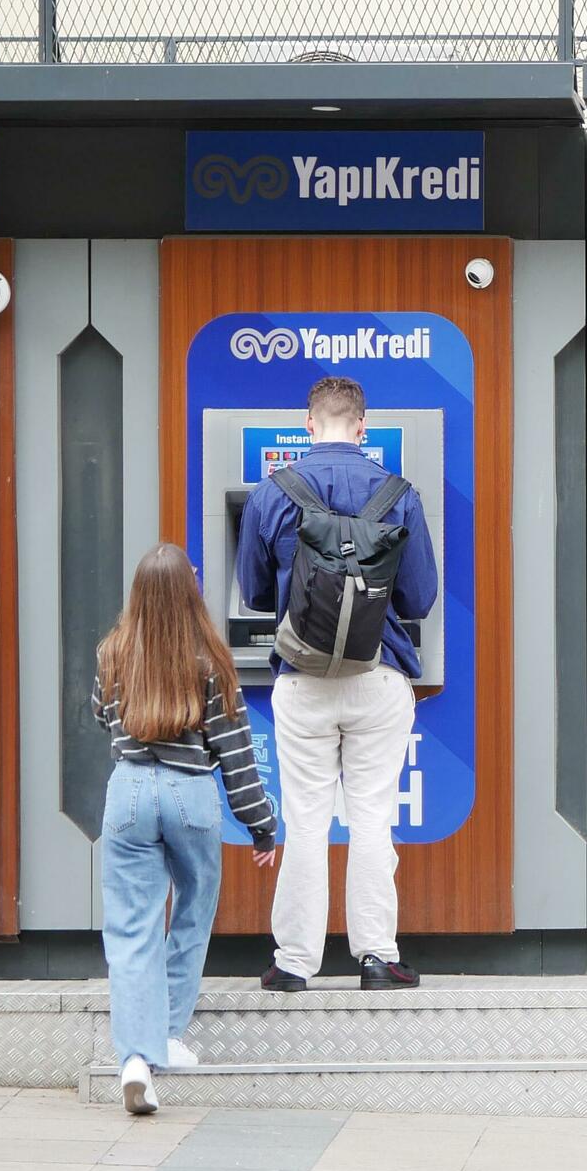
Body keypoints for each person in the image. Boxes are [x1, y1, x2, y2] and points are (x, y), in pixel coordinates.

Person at [234, 373, 439, 994]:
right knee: (373, 816)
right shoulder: (397, 492)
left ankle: (294, 963)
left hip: (301, 678)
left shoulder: (273, 492)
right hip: (378, 675)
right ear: (361, 428)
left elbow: (252, 590)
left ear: (307, 424)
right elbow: (421, 597)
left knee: (305, 820)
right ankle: (377, 957)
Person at [92, 543, 277, 1117]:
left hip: (127, 789)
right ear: (190, 595)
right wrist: (261, 825)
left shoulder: (113, 653)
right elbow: (236, 751)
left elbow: (102, 714)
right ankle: (170, 1034)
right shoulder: (210, 660)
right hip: (190, 790)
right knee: (192, 910)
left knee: (130, 929)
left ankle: (135, 1060)